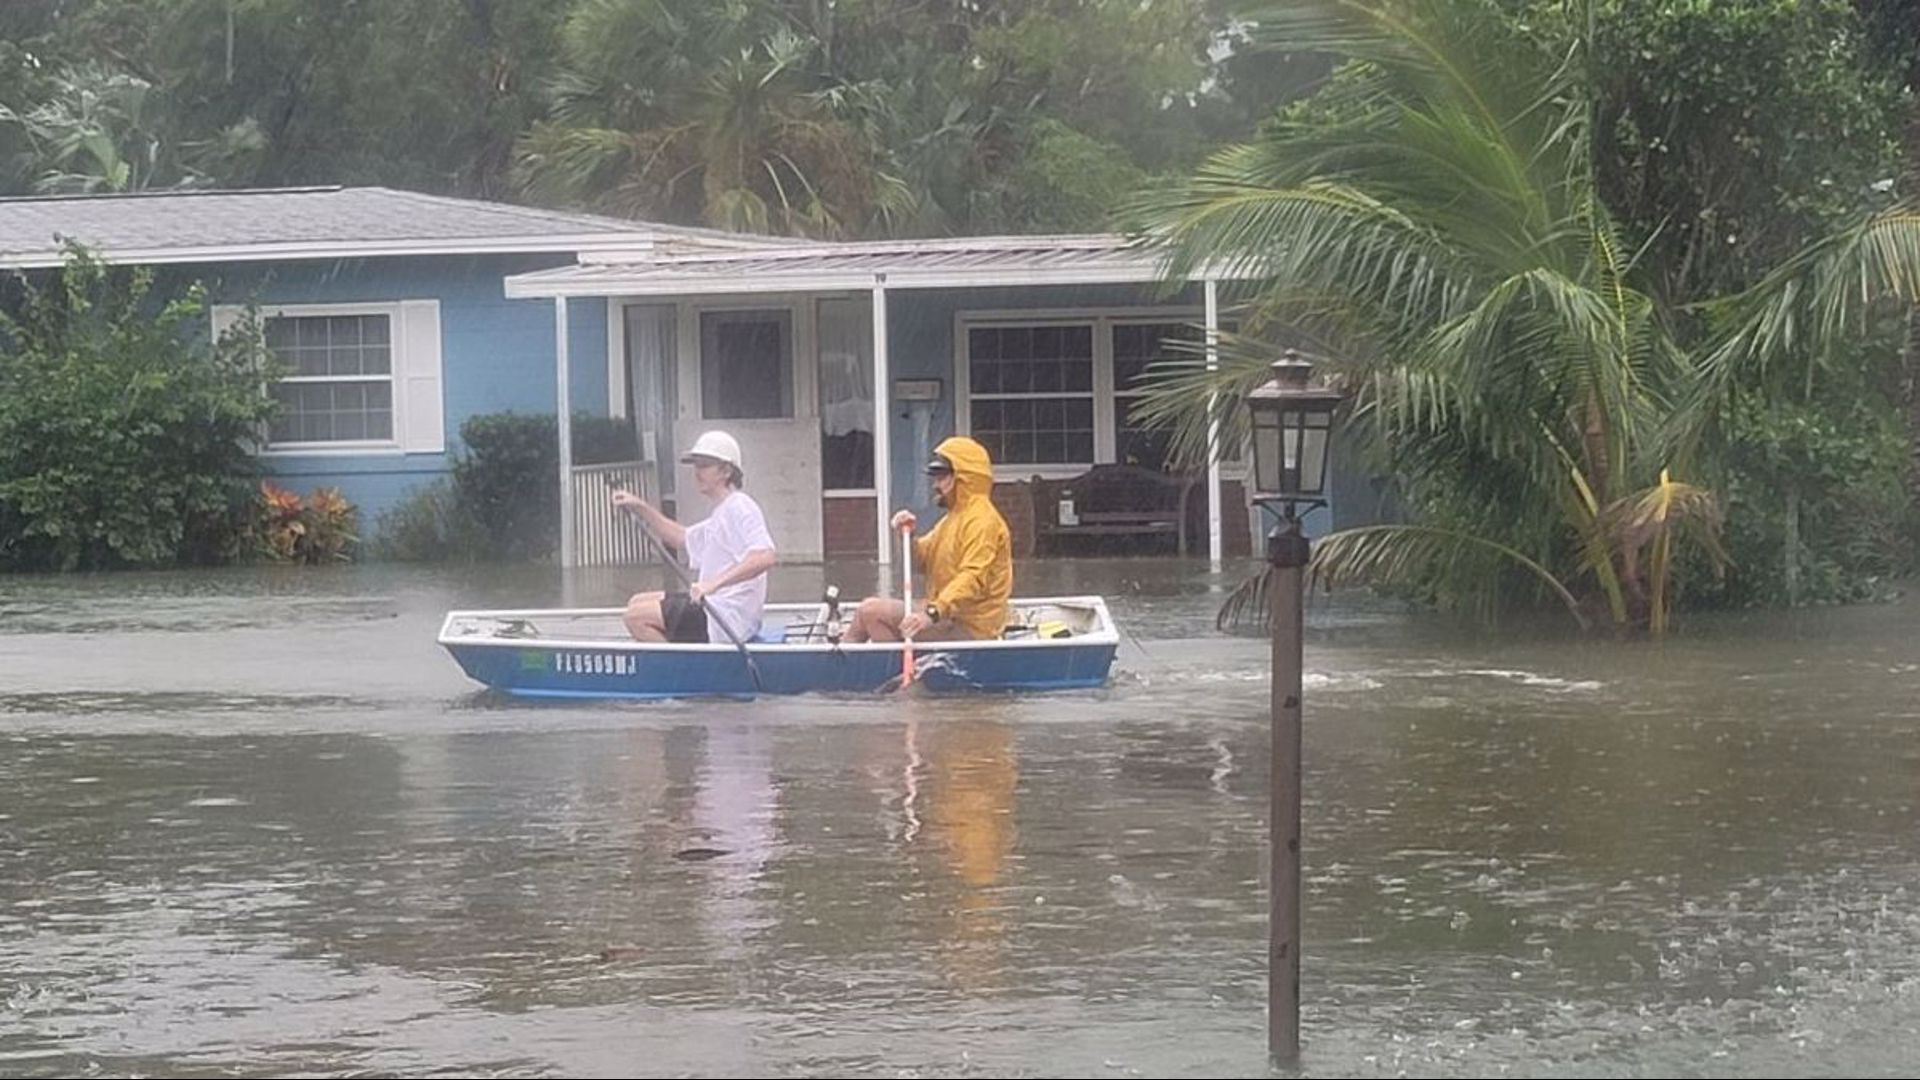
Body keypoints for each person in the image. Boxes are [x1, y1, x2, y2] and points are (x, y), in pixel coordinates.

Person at [612, 430, 777, 644]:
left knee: (635, 618)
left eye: (704, 465)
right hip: (714, 607)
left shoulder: (741, 507)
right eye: (696, 466)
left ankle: (677, 664)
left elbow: (765, 556)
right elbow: (680, 537)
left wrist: (712, 584)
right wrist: (639, 506)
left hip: (725, 618)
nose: (697, 473)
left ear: (726, 471)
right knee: (637, 602)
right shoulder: (722, 513)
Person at [847, 435, 1012, 643]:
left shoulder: (982, 522)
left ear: (962, 478)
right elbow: (919, 562)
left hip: (969, 627)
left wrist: (932, 613)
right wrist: (907, 537)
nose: (935, 485)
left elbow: (972, 578)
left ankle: (864, 660)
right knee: (868, 615)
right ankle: (850, 659)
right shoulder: (953, 520)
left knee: (870, 612)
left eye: (941, 477)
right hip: (947, 616)